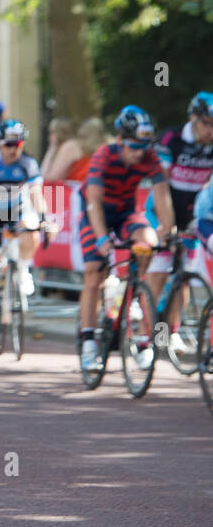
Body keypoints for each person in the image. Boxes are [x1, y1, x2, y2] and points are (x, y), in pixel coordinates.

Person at [77, 106, 172, 372]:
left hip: (125, 213)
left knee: (149, 239)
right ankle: (88, 343)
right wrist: (101, 239)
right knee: (94, 272)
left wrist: (168, 228)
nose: (139, 152)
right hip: (94, 213)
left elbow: (162, 195)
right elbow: (93, 201)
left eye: (143, 146)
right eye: (133, 146)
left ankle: (132, 291)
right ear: (120, 141)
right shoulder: (103, 156)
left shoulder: (149, 157)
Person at [0, 119, 50, 344]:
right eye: (8, 145)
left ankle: (23, 268)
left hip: (17, 210)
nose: (13, 150)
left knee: (31, 228)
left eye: (18, 145)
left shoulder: (28, 163)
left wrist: (44, 219)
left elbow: (36, 193)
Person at [144, 91, 213, 327]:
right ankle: (144, 336)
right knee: (161, 272)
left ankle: (170, 333)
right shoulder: (169, 140)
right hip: (161, 211)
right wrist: (167, 225)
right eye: (208, 125)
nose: (211, 132)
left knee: (184, 277)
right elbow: (161, 188)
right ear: (193, 118)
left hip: (191, 216)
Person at [40, 117, 79, 182]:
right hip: (66, 187)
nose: (49, 136)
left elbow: (52, 177)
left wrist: (52, 149)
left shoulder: (69, 145)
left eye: (52, 132)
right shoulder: (65, 145)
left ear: (61, 132)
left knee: (46, 189)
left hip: (73, 187)